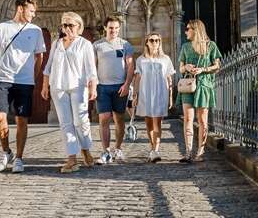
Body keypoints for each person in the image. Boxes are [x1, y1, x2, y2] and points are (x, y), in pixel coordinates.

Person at [0, 0, 46, 173]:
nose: (33, 14)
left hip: (25, 81)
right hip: (4, 79)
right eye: (31, 11)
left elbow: (40, 56)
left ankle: (20, 158)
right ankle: (6, 151)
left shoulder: (36, 30)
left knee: (22, 120)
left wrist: (34, 76)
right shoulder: (1, 28)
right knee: (0, 117)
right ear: (20, 8)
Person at [41, 11, 97, 173]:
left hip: (78, 86)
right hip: (58, 87)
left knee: (80, 121)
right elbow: (48, 67)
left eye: (70, 25)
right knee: (66, 123)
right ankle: (72, 159)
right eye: (64, 25)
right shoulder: (57, 44)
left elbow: (91, 69)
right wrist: (45, 86)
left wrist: (93, 87)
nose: (66, 28)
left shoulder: (84, 44)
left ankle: (85, 149)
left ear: (78, 27)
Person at [178, 19, 222, 163]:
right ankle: (188, 152)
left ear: (196, 30)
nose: (185, 31)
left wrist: (203, 69)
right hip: (188, 86)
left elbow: (217, 65)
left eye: (188, 29)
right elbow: (180, 68)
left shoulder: (211, 46)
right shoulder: (185, 47)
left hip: (204, 85)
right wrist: (187, 68)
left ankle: (200, 152)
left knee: (202, 120)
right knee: (188, 119)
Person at [93, 15, 135, 164]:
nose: (114, 31)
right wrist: (92, 86)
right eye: (111, 28)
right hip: (102, 87)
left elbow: (130, 65)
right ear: (105, 28)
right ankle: (105, 152)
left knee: (119, 119)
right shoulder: (97, 45)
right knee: (104, 118)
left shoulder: (125, 45)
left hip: (120, 87)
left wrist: (127, 84)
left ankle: (117, 148)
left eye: (117, 28)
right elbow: (93, 67)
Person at [133, 32, 175, 162]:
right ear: (147, 42)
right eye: (152, 40)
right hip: (146, 93)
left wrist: (171, 96)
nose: (155, 43)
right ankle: (152, 149)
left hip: (160, 93)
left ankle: (156, 150)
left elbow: (169, 78)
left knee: (157, 122)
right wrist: (135, 94)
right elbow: (137, 77)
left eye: (157, 40)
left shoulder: (165, 59)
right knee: (148, 123)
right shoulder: (141, 59)